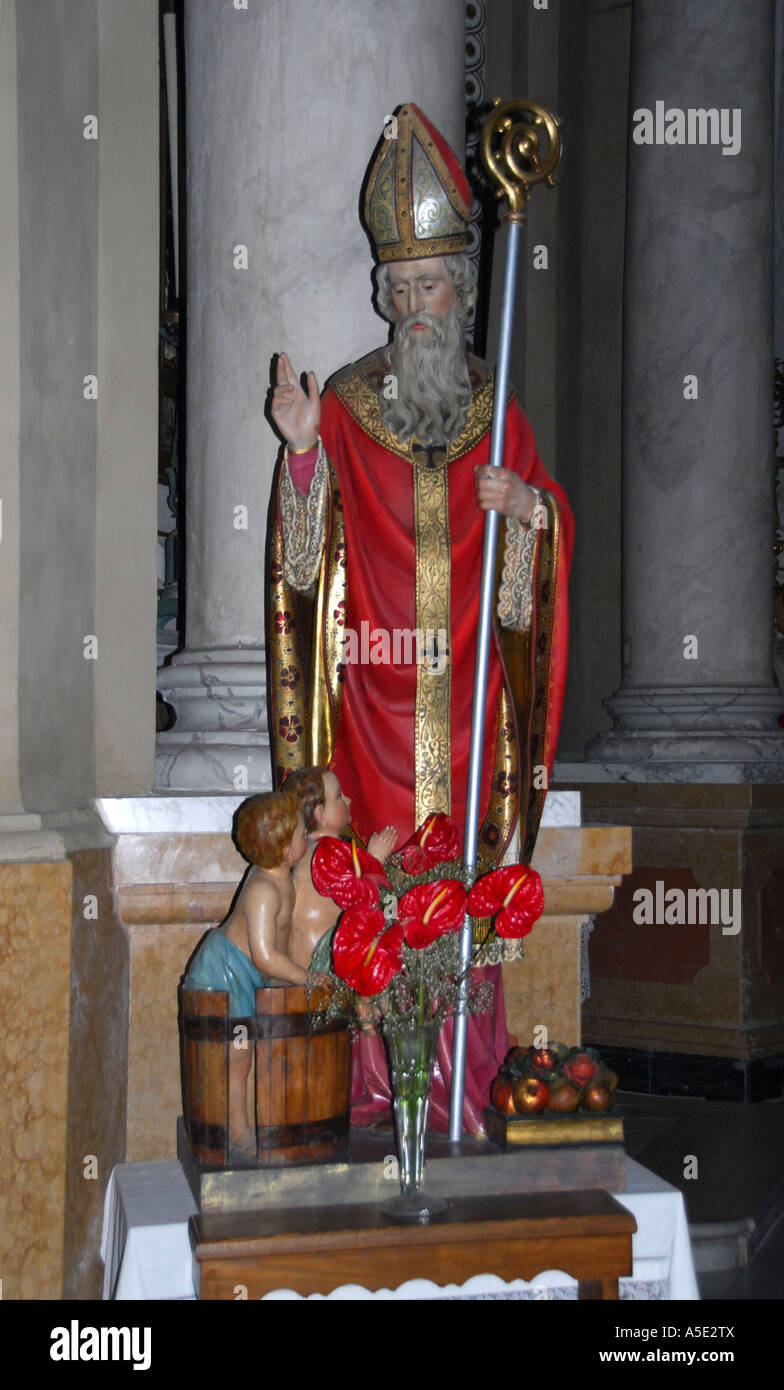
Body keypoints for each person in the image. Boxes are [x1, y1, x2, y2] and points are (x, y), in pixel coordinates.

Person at [267, 103, 574, 1133]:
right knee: (381, 897)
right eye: (397, 290)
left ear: (463, 289)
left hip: (472, 713)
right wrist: (302, 455)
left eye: (429, 286)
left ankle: (464, 1098)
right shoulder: (349, 406)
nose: (413, 308)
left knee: (465, 892)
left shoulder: (497, 407)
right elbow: (307, 566)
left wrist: (525, 510)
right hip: (372, 714)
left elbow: (545, 543)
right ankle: (379, 1100)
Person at [183, 789, 322, 1153]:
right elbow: (264, 955)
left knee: (251, 1051)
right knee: (238, 1053)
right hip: (225, 971)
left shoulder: (280, 877)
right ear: (286, 850)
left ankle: (250, 1122)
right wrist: (305, 978)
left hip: (243, 972)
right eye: (301, 832)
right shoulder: (264, 889)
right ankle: (237, 1129)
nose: (306, 835)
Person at [286, 765, 397, 973]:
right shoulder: (328, 852)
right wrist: (374, 860)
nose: (348, 800)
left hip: (302, 961)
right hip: (322, 960)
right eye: (339, 796)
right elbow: (363, 905)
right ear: (321, 814)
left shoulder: (306, 849)